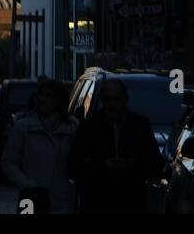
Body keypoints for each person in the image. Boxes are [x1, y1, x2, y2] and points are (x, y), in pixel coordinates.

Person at [67, 78, 163, 214]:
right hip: (98, 203)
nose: (112, 104)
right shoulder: (89, 128)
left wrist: (132, 164)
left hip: (132, 202)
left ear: (125, 100)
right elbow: (73, 166)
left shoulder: (140, 126)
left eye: (116, 99)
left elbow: (156, 163)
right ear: (102, 100)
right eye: (108, 99)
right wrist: (103, 166)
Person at [1, 78, 77, 213]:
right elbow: (8, 161)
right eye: (41, 95)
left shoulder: (72, 128)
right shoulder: (23, 126)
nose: (43, 99)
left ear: (59, 100)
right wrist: (26, 185)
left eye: (49, 96)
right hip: (30, 198)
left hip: (63, 200)